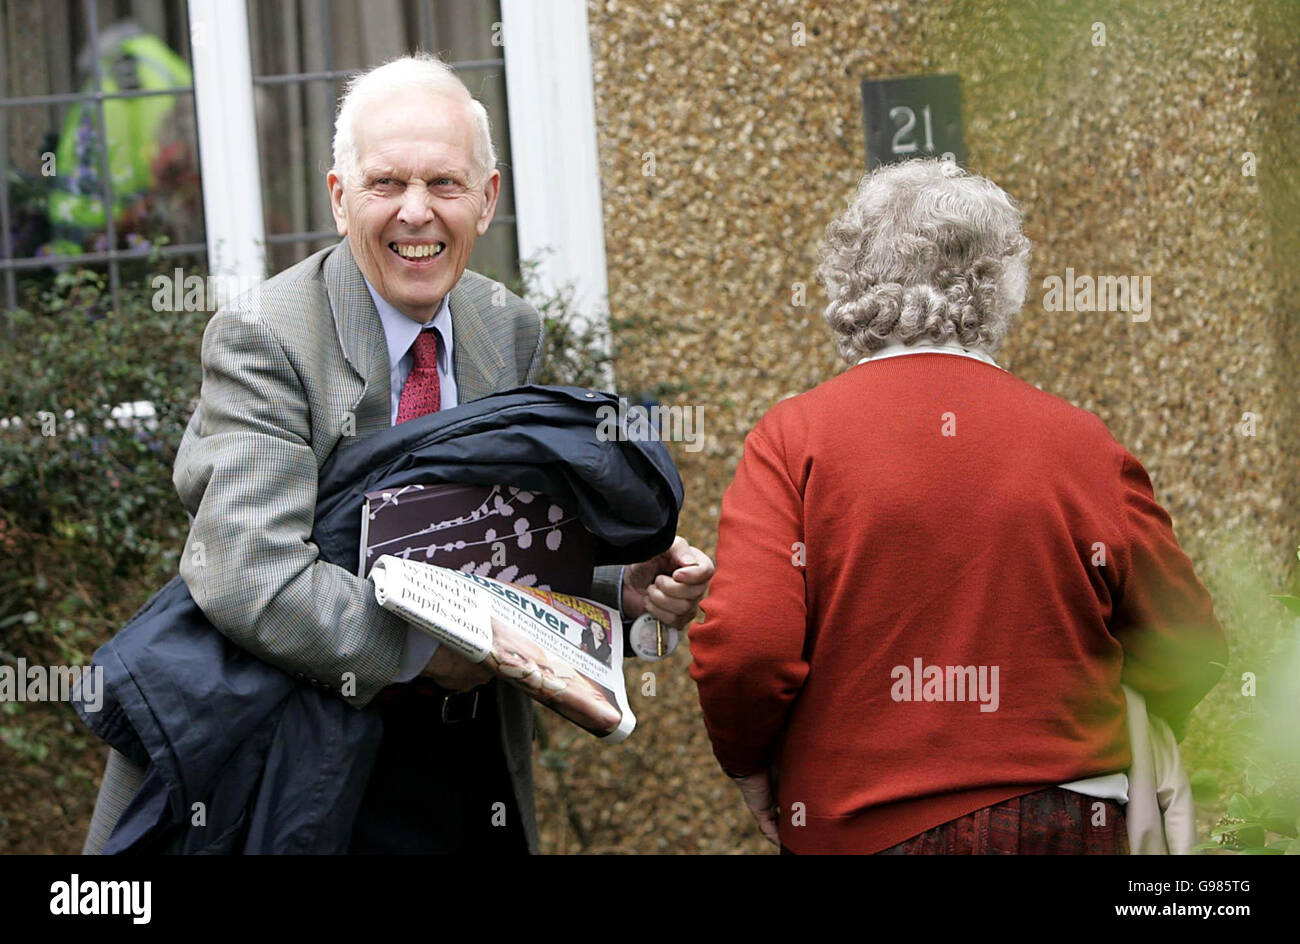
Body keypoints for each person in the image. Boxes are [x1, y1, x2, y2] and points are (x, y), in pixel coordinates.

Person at [82, 53, 713, 855]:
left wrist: (618, 590)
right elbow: (249, 571)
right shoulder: (265, 336)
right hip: (309, 767)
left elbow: (496, 553)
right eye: (386, 184)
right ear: (340, 198)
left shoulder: (505, 328)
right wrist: (424, 653)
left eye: (445, 185)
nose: (416, 213)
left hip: (470, 768)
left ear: (487, 201)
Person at [688, 157, 1226, 855]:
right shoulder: (1082, 444)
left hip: (860, 830)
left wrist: (749, 764)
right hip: (1062, 822)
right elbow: (1189, 642)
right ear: (1001, 285)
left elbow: (748, 649)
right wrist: (1123, 709)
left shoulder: (793, 437)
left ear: (850, 279)